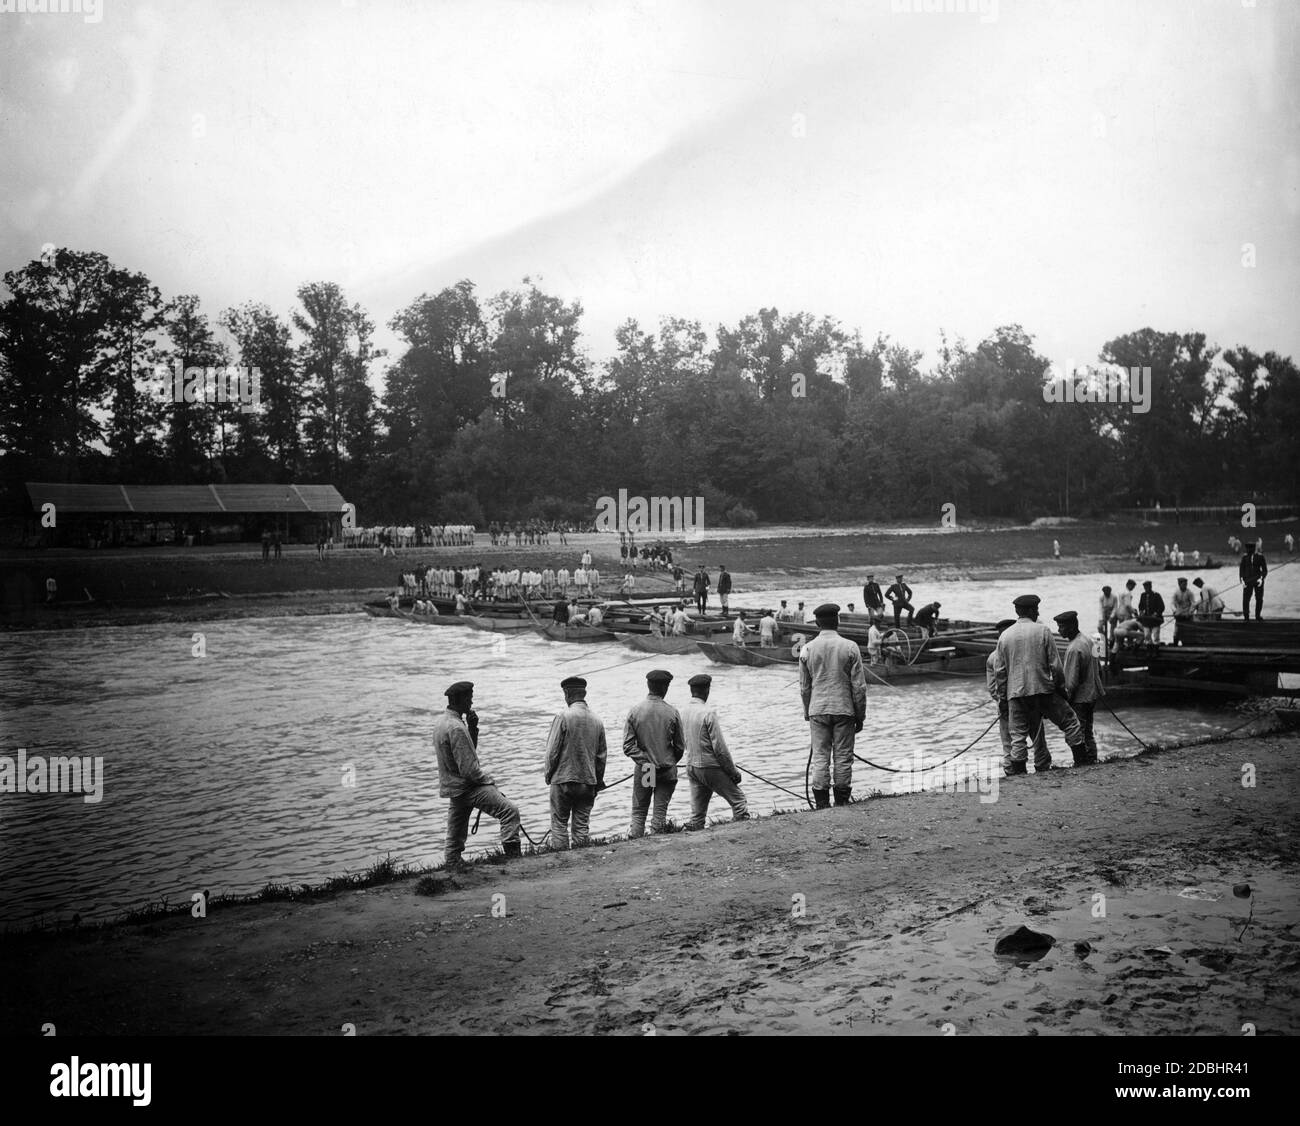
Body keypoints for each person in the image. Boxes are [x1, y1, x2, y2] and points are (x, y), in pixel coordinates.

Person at [994, 594, 1086, 776]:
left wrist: (1003, 698)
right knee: (1070, 722)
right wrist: (1061, 690)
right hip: (1043, 689)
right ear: (1029, 610)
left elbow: (1000, 673)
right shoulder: (1043, 631)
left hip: (1016, 694)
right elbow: (1056, 667)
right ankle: (1082, 763)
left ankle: (1019, 776)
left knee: (1018, 737)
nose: (1037, 612)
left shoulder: (1004, 636)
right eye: (1035, 609)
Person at [433, 681, 521, 868]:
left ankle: (452, 865)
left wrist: (472, 729)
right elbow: (469, 770)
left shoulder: (442, 723)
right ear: (457, 699)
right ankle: (514, 863)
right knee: (510, 812)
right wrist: (489, 781)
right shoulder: (456, 727)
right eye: (468, 697)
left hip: (454, 789)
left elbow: (465, 754)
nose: (471, 701)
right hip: (468, 787)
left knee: (454, 835)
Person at [798, 603, 867, 808]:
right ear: (837, 620)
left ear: (817, 623)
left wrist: (807, 712)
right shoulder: (850, 646)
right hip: (844, 708)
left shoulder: (807, 649)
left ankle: (821, 804)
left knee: (820, 756)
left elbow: (804, 687)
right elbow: (859, 687)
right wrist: (860, 715)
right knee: (843, 756)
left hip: (817, 709)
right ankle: (842, 801)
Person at [543, 676, 607, 850]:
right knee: (581, 827)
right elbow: (601, 758)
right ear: (584, 693)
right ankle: (581, 863)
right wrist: (598, 782)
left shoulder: (563, 717)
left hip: (562, 779)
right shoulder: (597, 720)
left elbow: (552, 752)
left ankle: (562, 863)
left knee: (559, 825)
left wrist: (549, 776)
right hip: (587, 781)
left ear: (567, 694)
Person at [681, 674, 749, 830]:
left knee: (697, 816)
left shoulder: (683, 712)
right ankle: (743, 835)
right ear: (706, 690)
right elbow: (720, 749)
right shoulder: (708, 712)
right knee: (739, 801)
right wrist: (733, 772)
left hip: (692, 766)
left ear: (692, 691)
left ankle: (693, 843)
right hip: (709, 766)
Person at [624, 670, 685, 837]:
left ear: (648, 686)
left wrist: (646, 761)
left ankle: (635, 845)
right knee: (660, 813)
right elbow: (680, 746)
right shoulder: (672, 712)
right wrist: (669, 760)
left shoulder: (635, 711)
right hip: (667, 769)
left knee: (639, 811)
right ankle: (657, 845)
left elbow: (628, 746)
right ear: (665, 688)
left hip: (647, 770)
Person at [987, 618, 1051, 772]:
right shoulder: (1022, 653)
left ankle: (1012, 769)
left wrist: (1002, 700)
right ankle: (1042, 766)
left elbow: (992, 687)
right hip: (1027, 697)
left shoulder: (993, 657)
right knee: (1036, 735)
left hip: (1009, 702)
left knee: (1011, 740)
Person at [1055, 611, 1102, 765]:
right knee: (1088, 732)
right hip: (1091, 694)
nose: (1059, 630)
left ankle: (1083, 763)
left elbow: (1071, 682)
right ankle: (1092, 760)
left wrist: (1065, 699)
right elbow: (1098, 669)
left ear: (1071, 626)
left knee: (1077, 733)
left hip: (1080, 698)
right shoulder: (1088, 640)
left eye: (1062, 626)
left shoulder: (1074, 648)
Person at [1239, 540, 1267, 621]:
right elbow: (1241, 570)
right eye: (1248, 548)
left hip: (1258, 581)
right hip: (1247, 581)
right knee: (1246, 599)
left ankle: (1257, 616)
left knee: (1259, 598)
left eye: (1251, 548)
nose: (1249, 550)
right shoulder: (1244, 558)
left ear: (1254, 548)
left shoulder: (1260, 557)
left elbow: (1264, 570)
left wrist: (1261, 579)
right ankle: (1246, 617)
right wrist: (1242, 581)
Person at [1137, 580, 1165, 645]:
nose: (1146, 588)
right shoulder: (1143, 595)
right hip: (1146, 620)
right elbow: (1140, 606)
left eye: (1148, 587)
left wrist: (1156, 613)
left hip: (1155, 620)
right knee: (1147, 636)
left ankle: (1155, 652)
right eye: (1145, 587)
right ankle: (1149, 651)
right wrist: (1141, 612)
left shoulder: (1156, 595)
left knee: (1156, 636)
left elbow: (1162, 607)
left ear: (1151, 586)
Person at [1170, 577, 1195, 644]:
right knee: (1176, 631)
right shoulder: (1176, 593)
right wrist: (1175, 611)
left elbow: (1193, 604)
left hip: (1187, 614)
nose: (1185, 586)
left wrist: (1190, 612)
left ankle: (1188, 644)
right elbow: (1172, 603)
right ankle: (1175, 645)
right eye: (1183, 584)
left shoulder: (1190, 593)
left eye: (1186, 584)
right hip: (1179, 614)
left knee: (1188, 630)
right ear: (1179, 584)